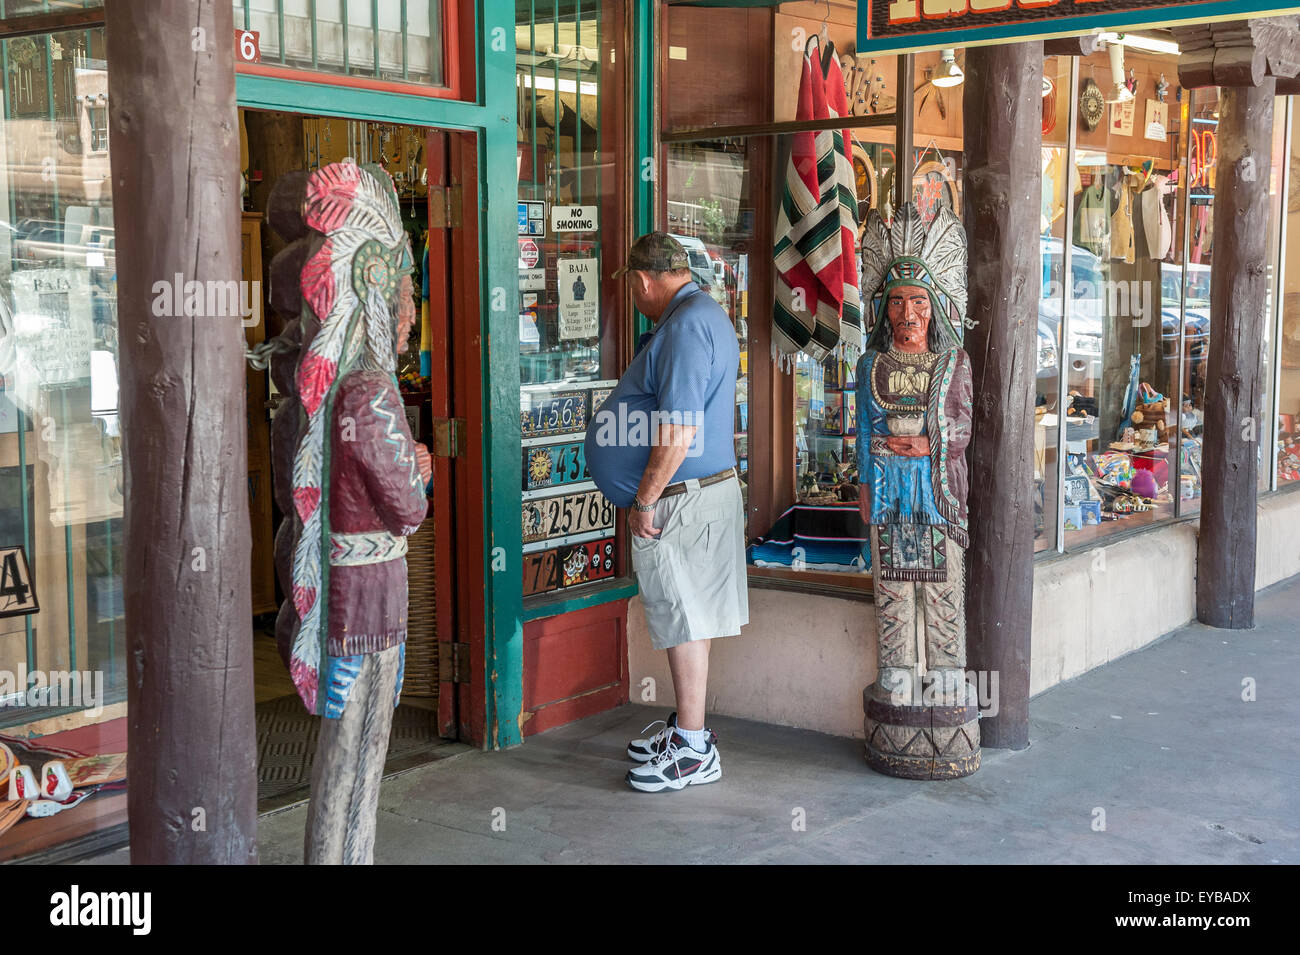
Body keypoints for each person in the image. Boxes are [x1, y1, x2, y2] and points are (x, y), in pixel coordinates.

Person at [583, 232, 747, 792]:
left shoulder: (683, 327)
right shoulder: (701, 316)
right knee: (690, 617)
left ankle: (694, 747)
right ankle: (688, 730)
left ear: (644, 281)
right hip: (695, 494)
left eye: (630, 282)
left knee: (684, 618)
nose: (631, 291)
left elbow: (678, 430)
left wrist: (645, 498)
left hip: (682, 499)